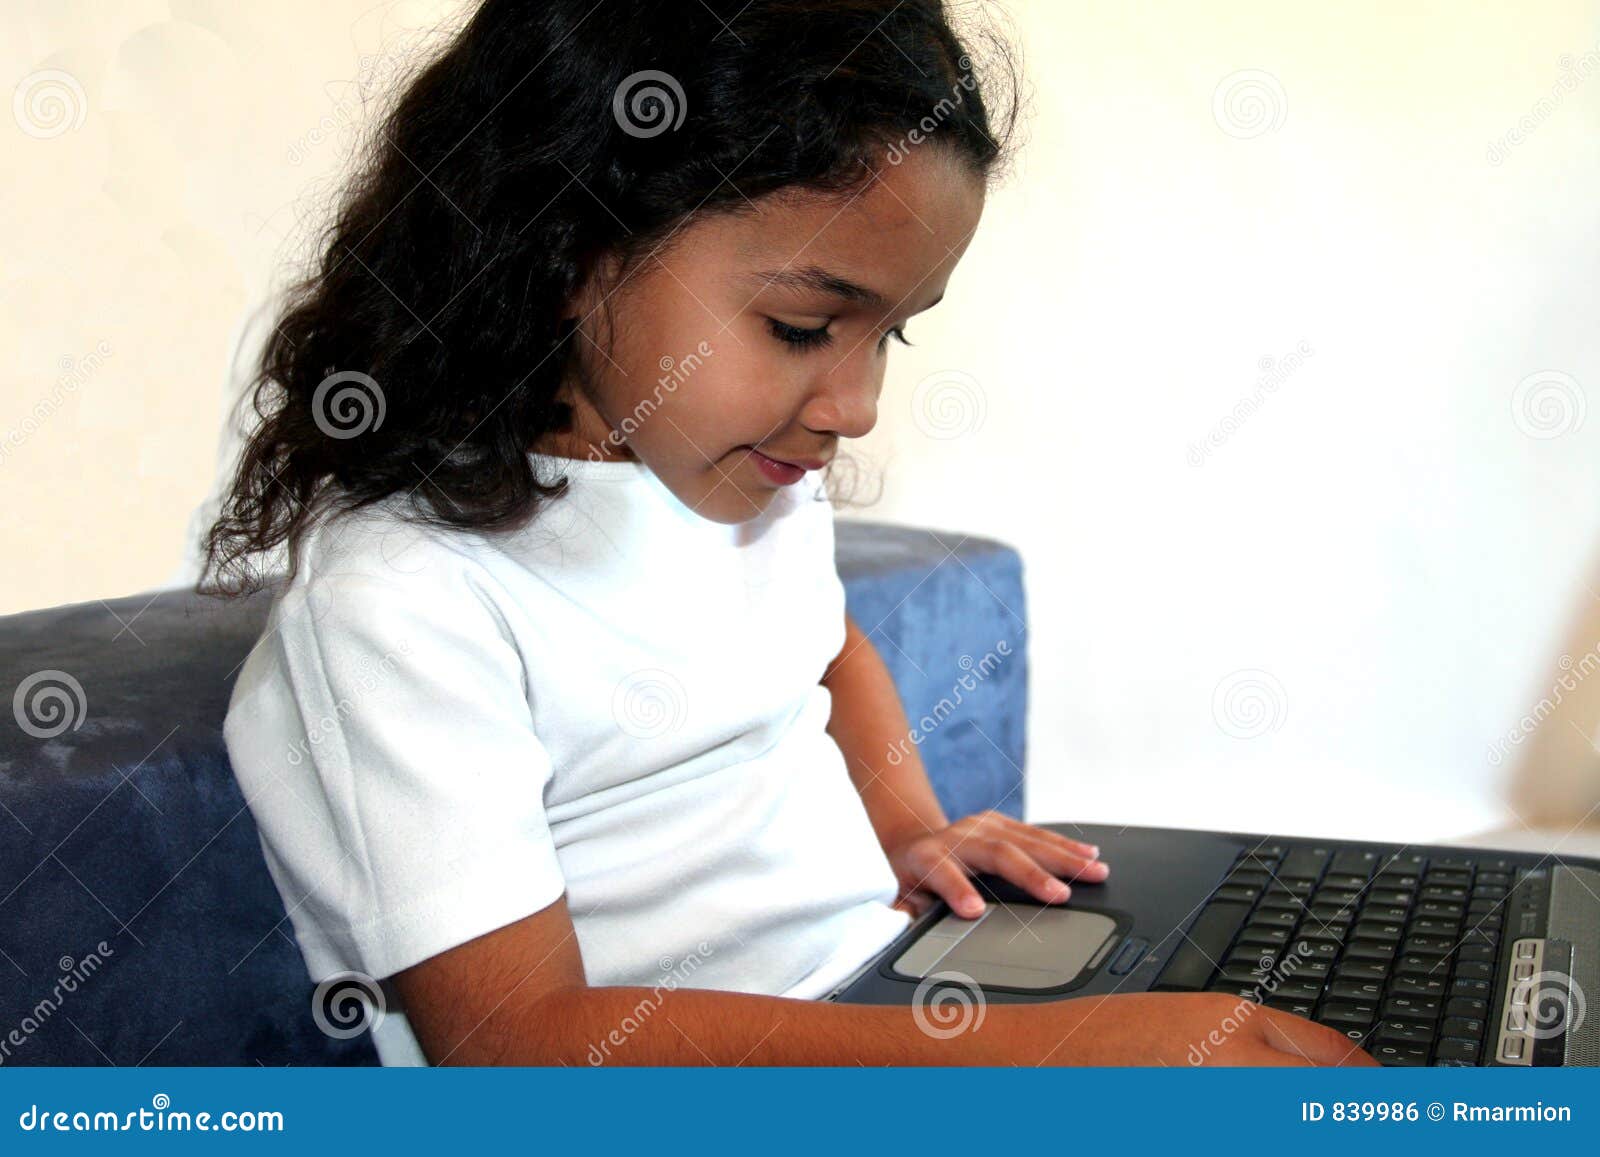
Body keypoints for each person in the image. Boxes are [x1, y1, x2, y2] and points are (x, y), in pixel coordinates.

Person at [203, 0, 1375, 1068]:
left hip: (877, 1002)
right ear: (571, 250)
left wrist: (910, 827)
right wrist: (1051, 1056)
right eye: (804, 324)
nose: (855, 405)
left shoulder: (740, 484)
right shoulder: (405, 596)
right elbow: (520, 1044)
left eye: (890, 335)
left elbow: (830, 651)